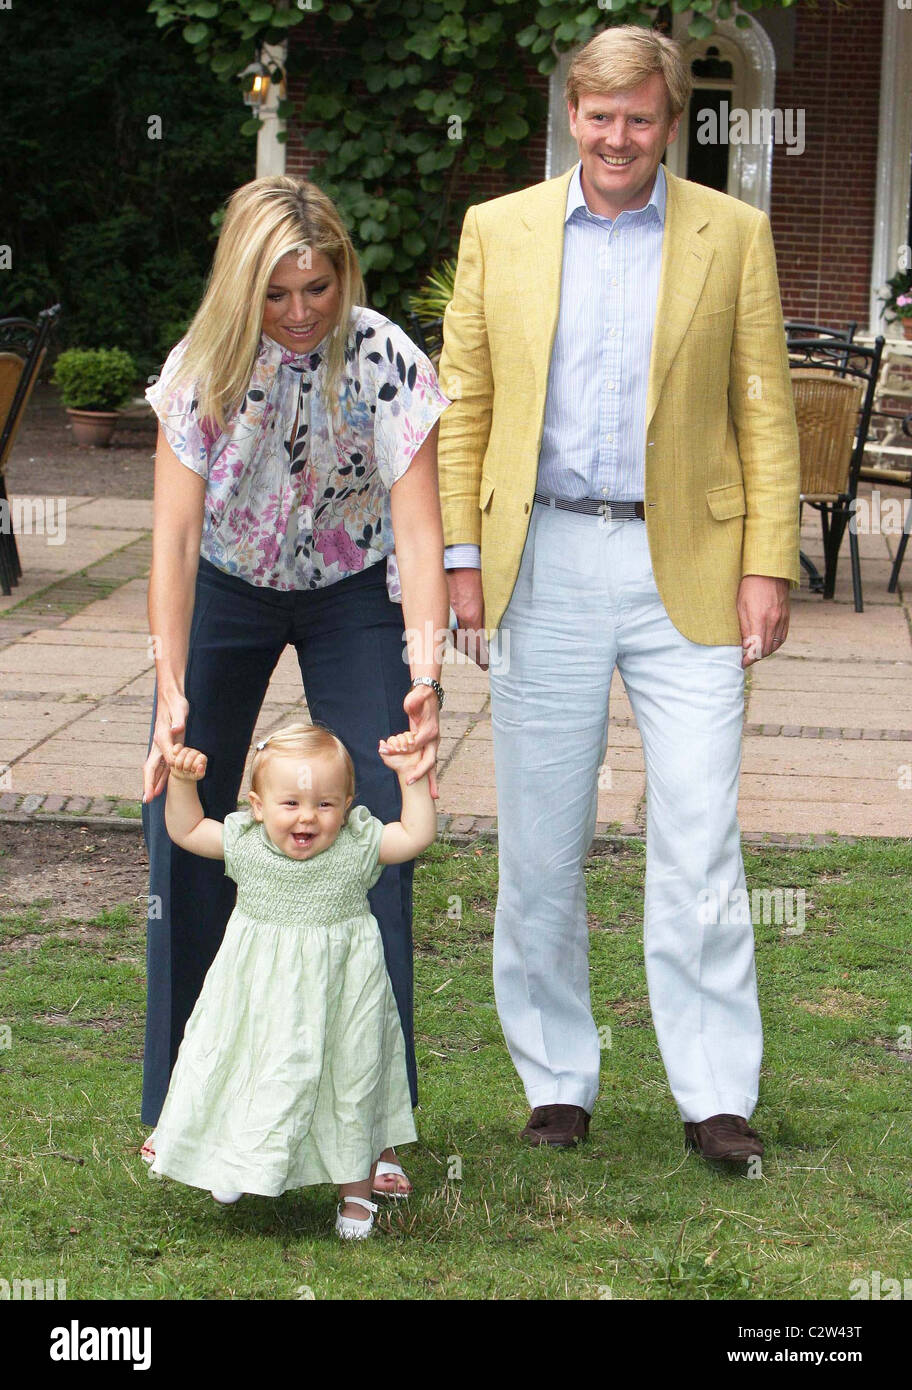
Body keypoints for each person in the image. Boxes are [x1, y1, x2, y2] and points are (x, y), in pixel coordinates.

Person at [437, 26, 800, 1160]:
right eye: (600, 117)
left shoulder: (732, 234)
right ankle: (558, 1081)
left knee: (700, 837)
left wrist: (768, 562)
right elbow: (465, 408)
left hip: (687, 563)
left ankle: (715, 1095)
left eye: (639, 118)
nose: (618, 138)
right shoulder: (499, 231)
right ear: (572, 115)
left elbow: (767, 414)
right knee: (540, 843)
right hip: (541, 560)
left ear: (667, 120)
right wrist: (458, 555)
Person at [140, 176, 450, 1199]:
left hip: (350, 584)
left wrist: (424, 663)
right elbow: (176, 538)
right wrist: (171, 681)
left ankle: (370, 1123)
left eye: (318, 286)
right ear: (243, 285)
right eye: (278, 293)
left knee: (374, 832)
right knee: (184, 811)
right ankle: (182, 1105)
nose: (303, 312)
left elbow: (415, 524)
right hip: (227, 585)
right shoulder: (201, 368)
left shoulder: (384, 359)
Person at [148, 724, 436, 1240]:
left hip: (343, 996)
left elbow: (414, 836)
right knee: (249, 1067)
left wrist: (411, 780)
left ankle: (356, 1194)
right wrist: (182, 783)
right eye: (291, 803)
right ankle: (234, 1159)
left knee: (350, 1079)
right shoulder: (247, 845)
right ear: (257, 806)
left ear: (347, 806)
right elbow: (187, 831)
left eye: (325, 804)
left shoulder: (357, 846)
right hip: (258, 994)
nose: (307, 816)